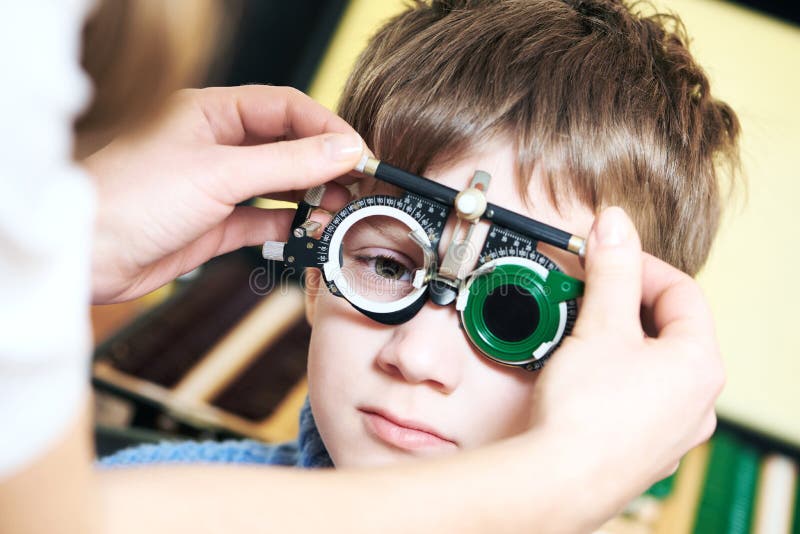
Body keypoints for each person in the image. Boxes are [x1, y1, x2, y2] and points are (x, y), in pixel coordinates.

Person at [0, 1, 730, 533]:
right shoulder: (120, 497)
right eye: (385, 262)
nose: (416, 355)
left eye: (514, 311)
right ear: (317, 264)